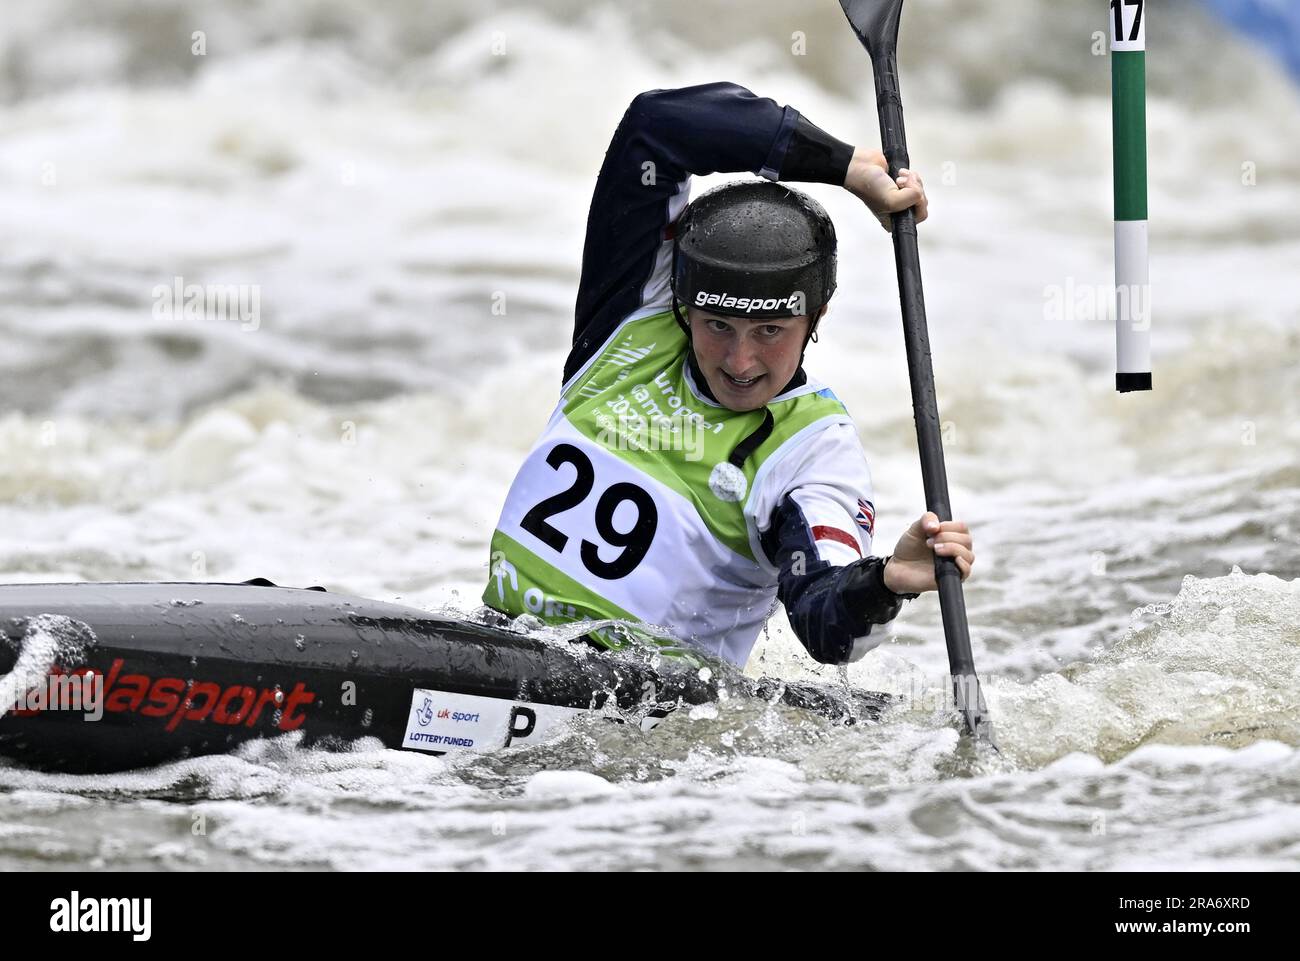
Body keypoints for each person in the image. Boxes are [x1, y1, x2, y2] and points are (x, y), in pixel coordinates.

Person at [481, 82, 974, 668]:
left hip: (629, 718)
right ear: (684, 307)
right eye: (718, 325)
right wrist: (844, 167)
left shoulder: (812, 451)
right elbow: (658, 125)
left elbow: (823, 621)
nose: (739, 363)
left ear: (815, 317)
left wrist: (887, 581)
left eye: (769, 331)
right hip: (494, 642)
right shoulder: (630, 322)